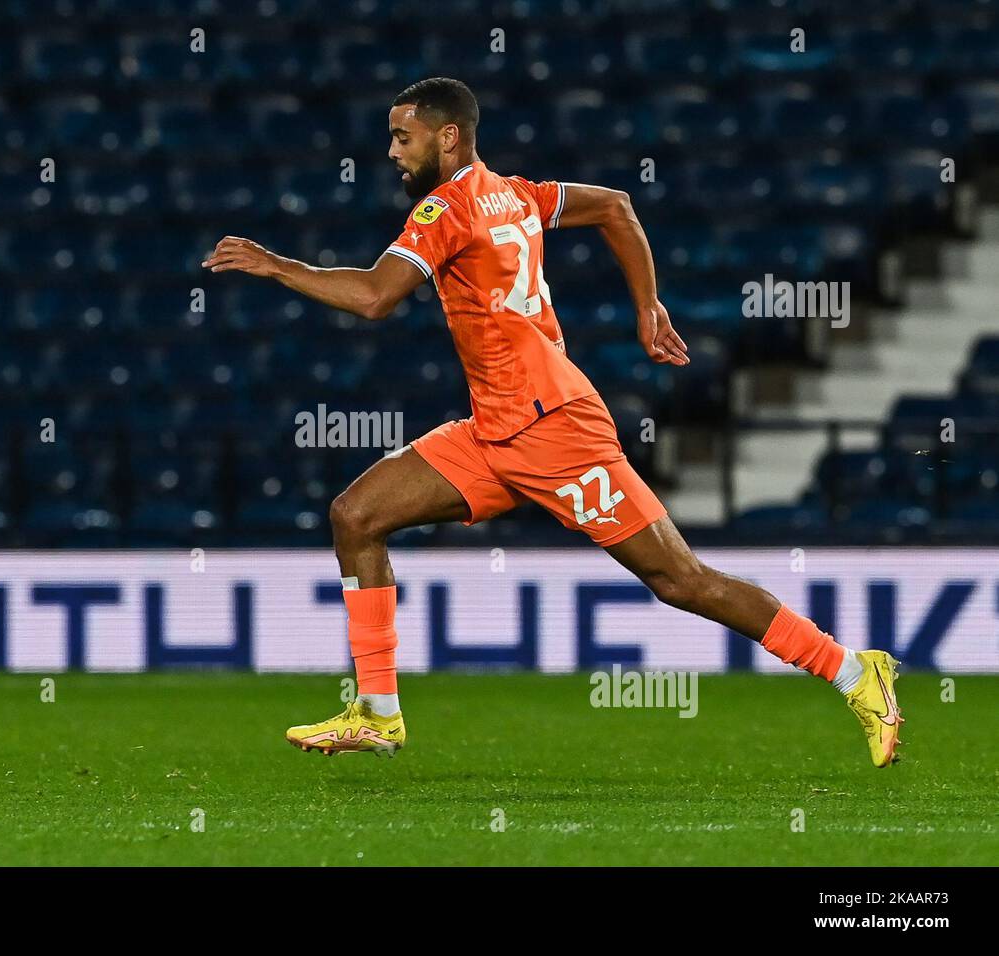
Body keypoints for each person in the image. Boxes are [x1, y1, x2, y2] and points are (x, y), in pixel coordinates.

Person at [202, 77, 903, 767]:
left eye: (402, 136)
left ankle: (850, 671)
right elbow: (617, 207)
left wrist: (275, 265)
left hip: (553, 430)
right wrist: (647, 306)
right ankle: (379, 714)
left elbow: (376, 297)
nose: (391, 151)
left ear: (448, 137)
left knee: (679, 580)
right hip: (493, 429)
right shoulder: (520, 194)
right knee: (356, 515)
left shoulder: (445, 209)